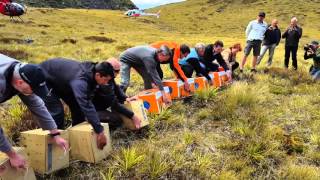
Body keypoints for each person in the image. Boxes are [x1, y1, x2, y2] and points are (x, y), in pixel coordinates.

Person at [0, 54, 68, 169]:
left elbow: (37, 105)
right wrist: (12, 154)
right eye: (33, 89)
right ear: (19, 83)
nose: (35, 93)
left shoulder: (21, 72)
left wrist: (55, 133)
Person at [40, 59, 113, 150]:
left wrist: (93, 121)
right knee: (57, 110)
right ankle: (56, 143)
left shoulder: (93, 73)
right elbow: (85, 104)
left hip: (62, 81)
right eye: (105, 80)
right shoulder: (81, 80)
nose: (106, 83)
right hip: (44, 78)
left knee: (77, 107)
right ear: (98, 75)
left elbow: (86, 101)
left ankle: (76, 140)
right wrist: (100, 131)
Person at [92, 58, 141, 130]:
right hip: (94, 110)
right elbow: (114, 103)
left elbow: (116, 88)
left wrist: (126, 98)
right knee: (117, 120)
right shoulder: (102, 82)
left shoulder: (109, 77)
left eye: (119, 71)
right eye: (116, 71)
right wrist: (133, 116)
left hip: (104, 106)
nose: (118, 73)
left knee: (120, 111)